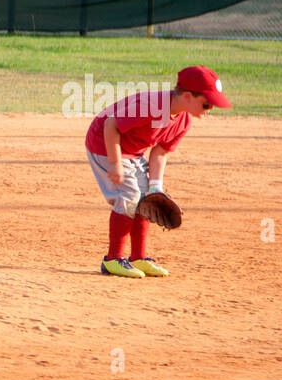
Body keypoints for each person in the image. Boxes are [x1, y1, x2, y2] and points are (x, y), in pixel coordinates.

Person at [84, 66, 232, 277]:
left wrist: (156, 187)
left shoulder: (183, 120)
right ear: (188, 97)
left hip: (133, 152)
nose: (210, 109)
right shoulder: (151, 106)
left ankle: (138, 258)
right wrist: (115, 163)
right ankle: (113, 259)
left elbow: (160, 153)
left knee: (147, 198)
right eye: (207, 104)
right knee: (130, 196)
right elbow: (110, 126)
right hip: (104, 143)